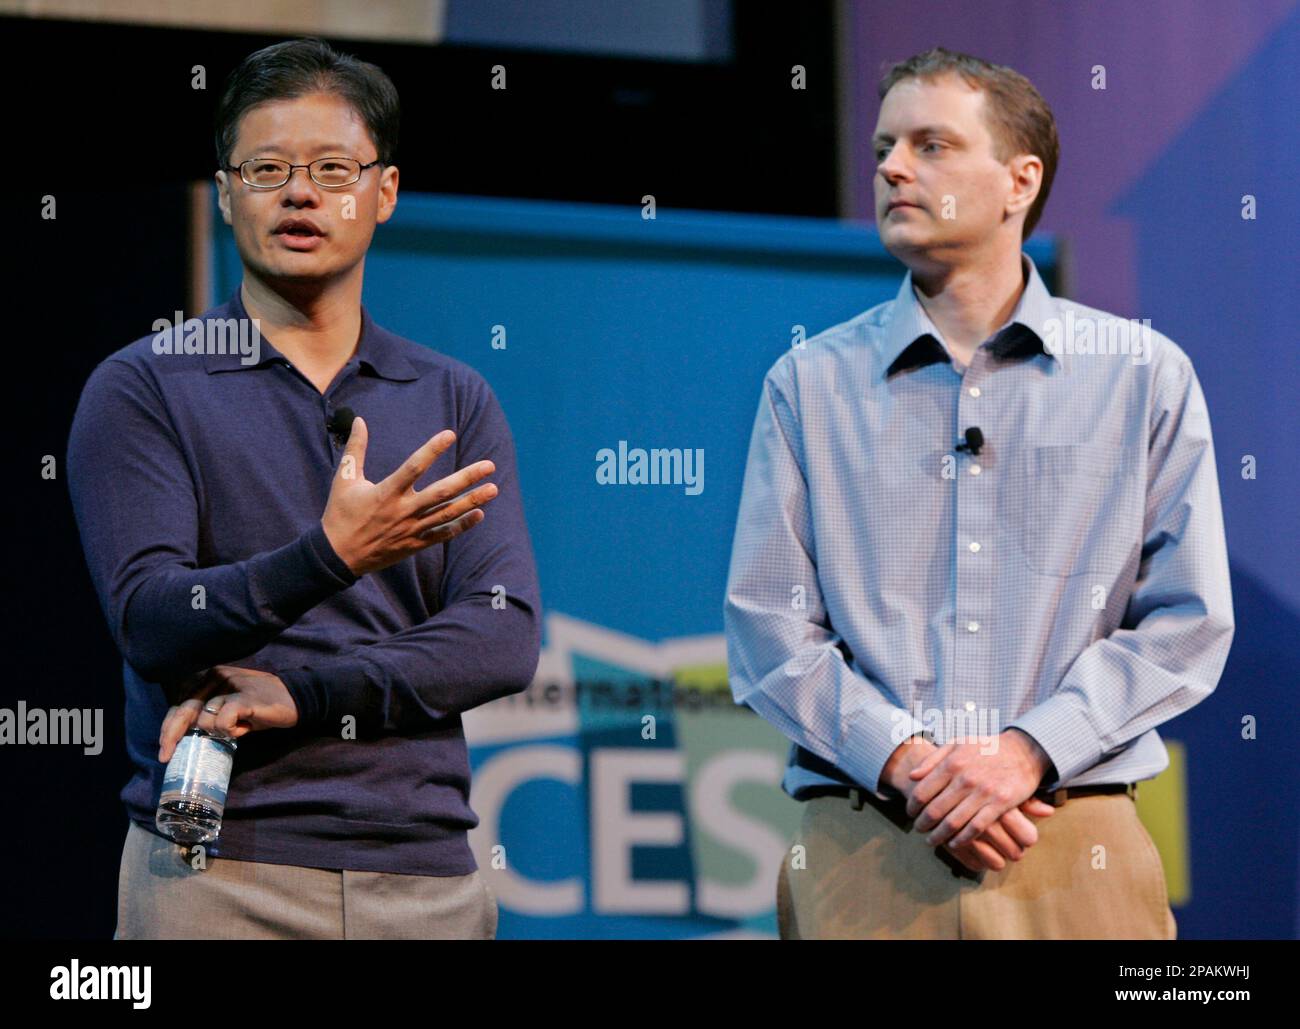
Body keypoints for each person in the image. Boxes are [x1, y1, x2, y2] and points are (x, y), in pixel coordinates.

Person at [723, 47, 1233, 939]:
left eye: (931, 145)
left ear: (1018, 180)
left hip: (1074, 843)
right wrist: (912, 764)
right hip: (865, 844)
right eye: (885, 145)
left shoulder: (1143, 373)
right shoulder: (807, 382)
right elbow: (769, 625)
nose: (890, 167)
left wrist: (1029, 751)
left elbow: (1186, 620)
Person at [67, 37, 541, 939]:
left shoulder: (450, 397)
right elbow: (153, 619)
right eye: (268, 168)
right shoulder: (146, 386)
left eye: (333, 167)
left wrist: (310, 692)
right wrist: (328, 557)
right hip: (218, 872)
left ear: (385, 193)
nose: (300, 192)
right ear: (224, 192)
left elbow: (502, 632)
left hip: (425, 875)